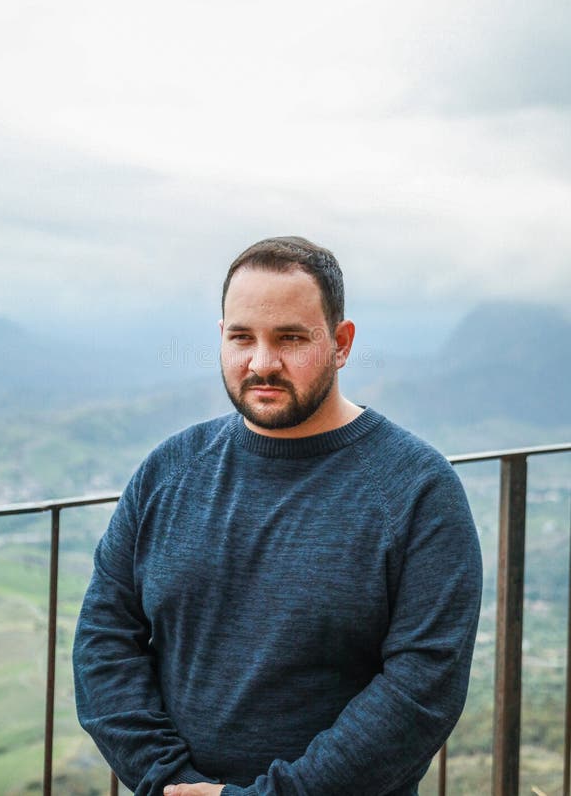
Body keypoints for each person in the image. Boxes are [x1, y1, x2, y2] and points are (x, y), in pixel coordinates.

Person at [73, 235, 483, 796]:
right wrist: (167, 781)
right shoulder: (167, 472)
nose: (262, 363)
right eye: (242, 337)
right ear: (221, 337)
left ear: (341, 343)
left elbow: (421, 692)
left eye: (291, 338)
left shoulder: (418, 490)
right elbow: (103, 637)